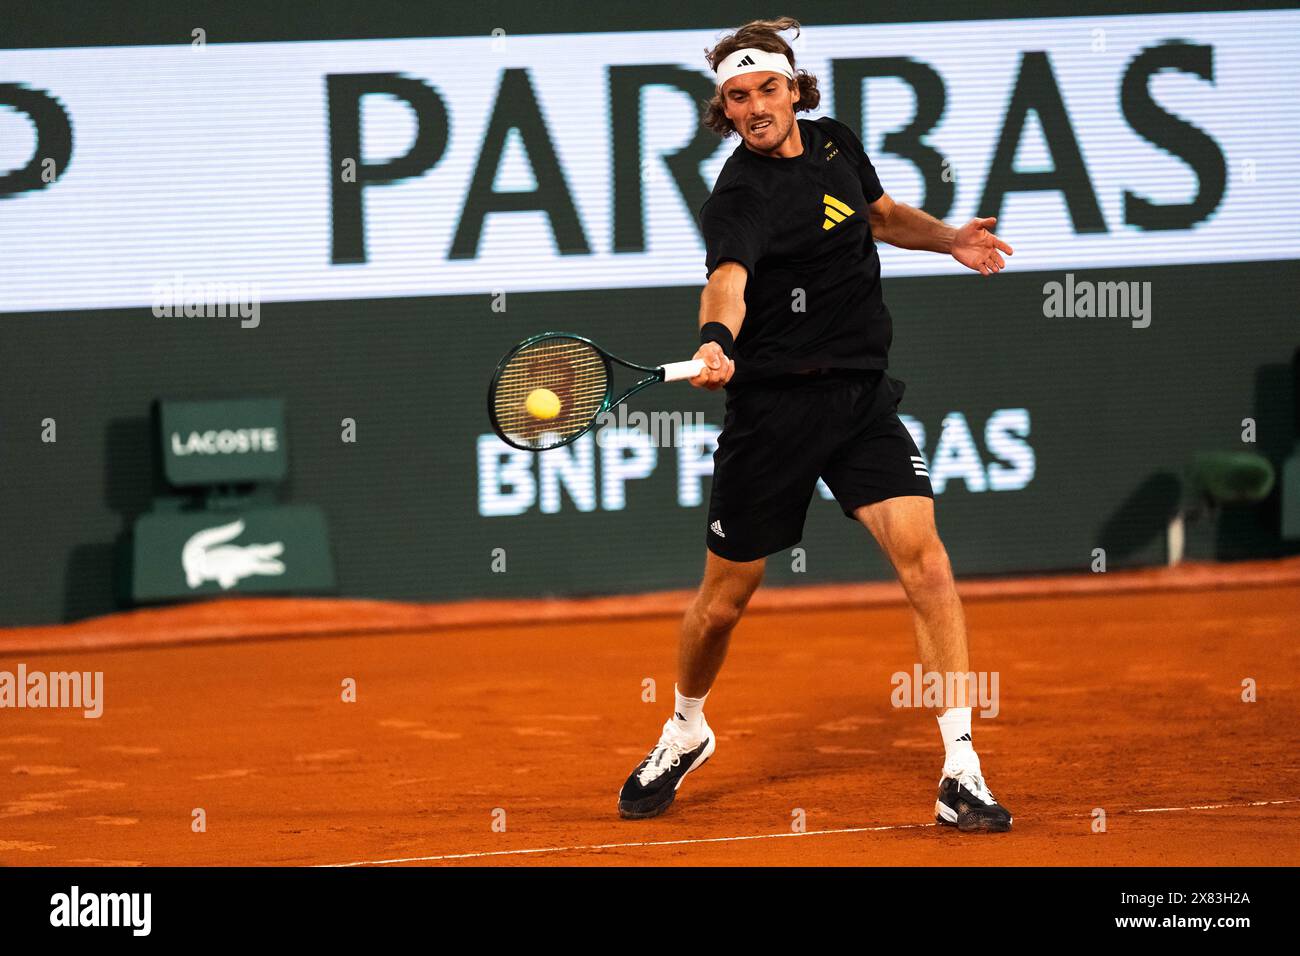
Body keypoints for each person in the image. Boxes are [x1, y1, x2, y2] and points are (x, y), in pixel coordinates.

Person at [617, 17, 1015, 833]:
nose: (756, 106)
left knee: (927, 564)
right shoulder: (737, 197)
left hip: (860, 398)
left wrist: (948, 240)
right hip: (773, 412)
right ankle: (686, 725)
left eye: (767, 88)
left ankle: (960, 766)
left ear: (795, 89)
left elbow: (880, 214)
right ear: (722, 111)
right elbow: (727, 281)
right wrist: (716, 340)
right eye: (738, 97)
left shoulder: (835, 142)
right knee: (725, 600)